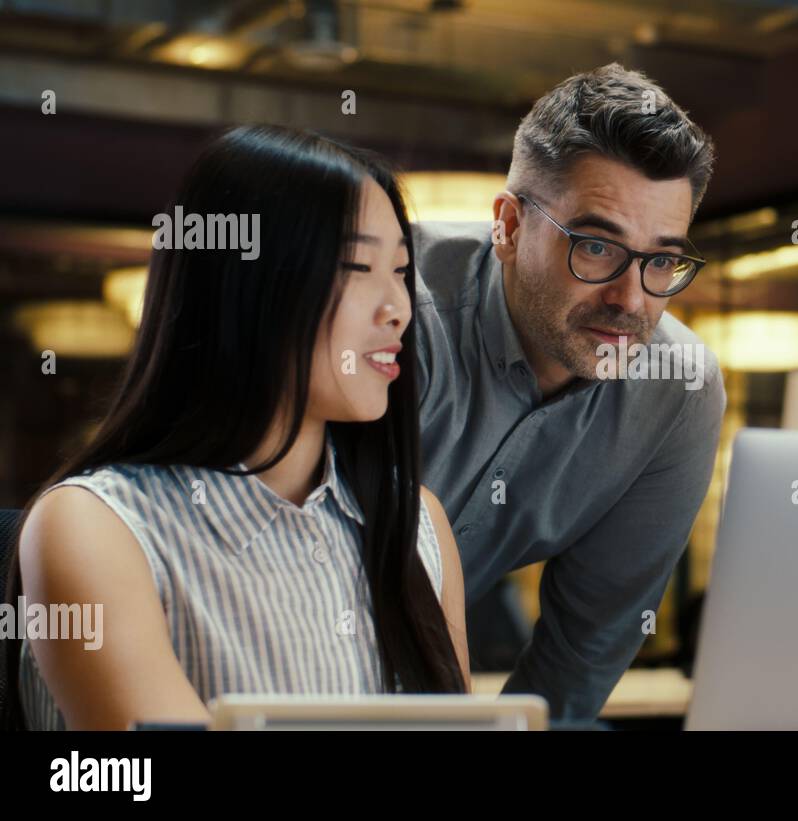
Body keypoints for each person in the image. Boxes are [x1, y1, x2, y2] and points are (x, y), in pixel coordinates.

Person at [2, 124, 469, 730]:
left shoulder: (416, 526)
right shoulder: (94, 527)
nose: (399, 307)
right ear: (244, 286)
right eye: (358, 265)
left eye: (401, 270)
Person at [410, 63, 725, 721]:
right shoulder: (393, 313)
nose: (631, 299)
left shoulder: (678, 391)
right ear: (509, 225)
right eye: (596, 246)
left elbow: (579, 658)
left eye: (663, 259)